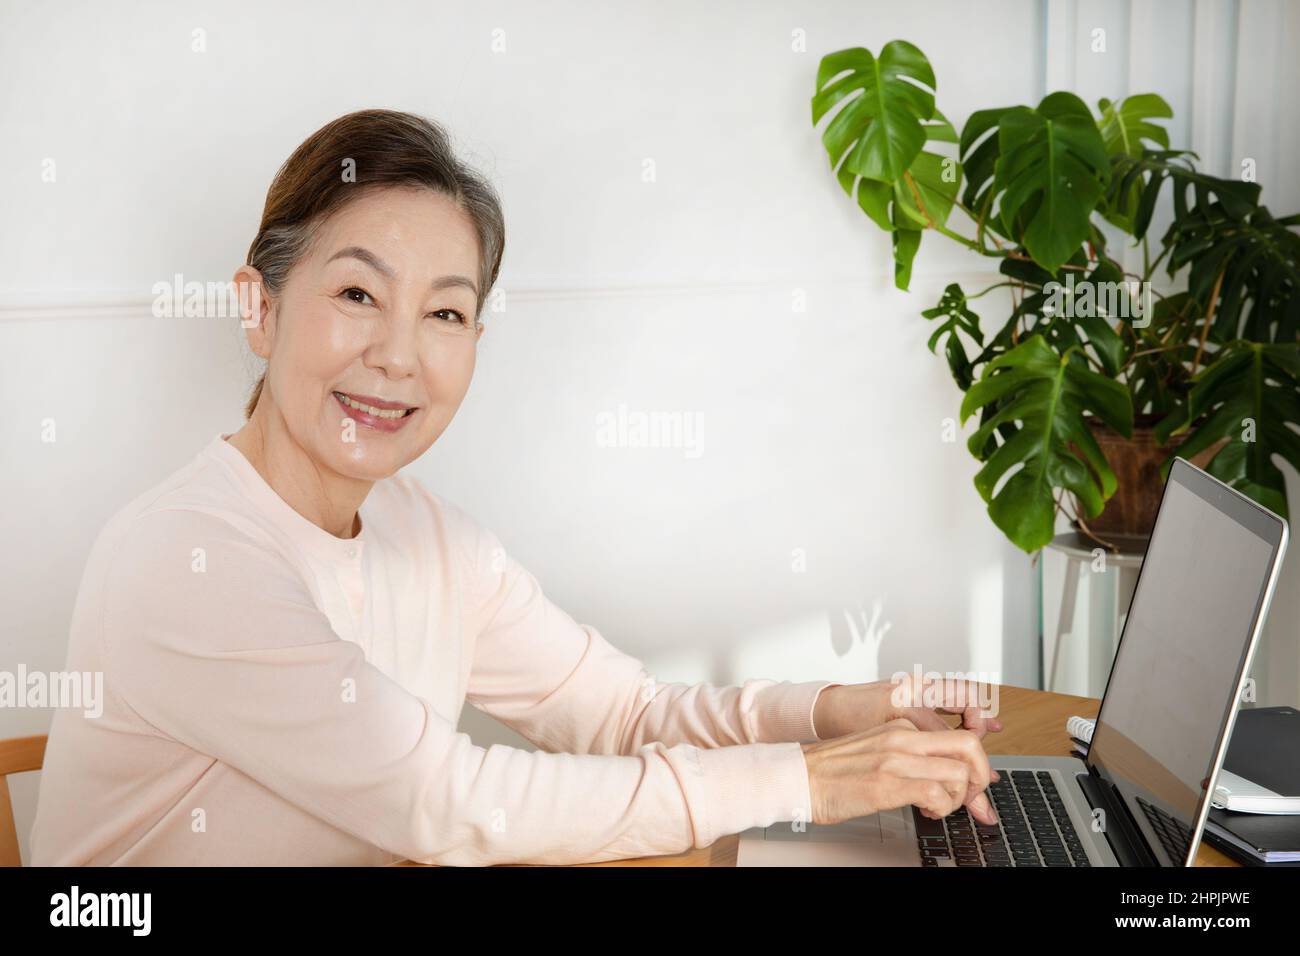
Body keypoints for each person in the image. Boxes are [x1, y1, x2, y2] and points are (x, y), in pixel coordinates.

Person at [30, 109, 1000, 866]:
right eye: (358, 293)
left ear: (476, 342)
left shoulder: (429, 538)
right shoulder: (186, 557)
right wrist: (809, 782)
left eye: (444, 311)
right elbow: (442, 797)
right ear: (260, 305)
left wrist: (837, 715)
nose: (398, 356)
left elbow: (623, 716)